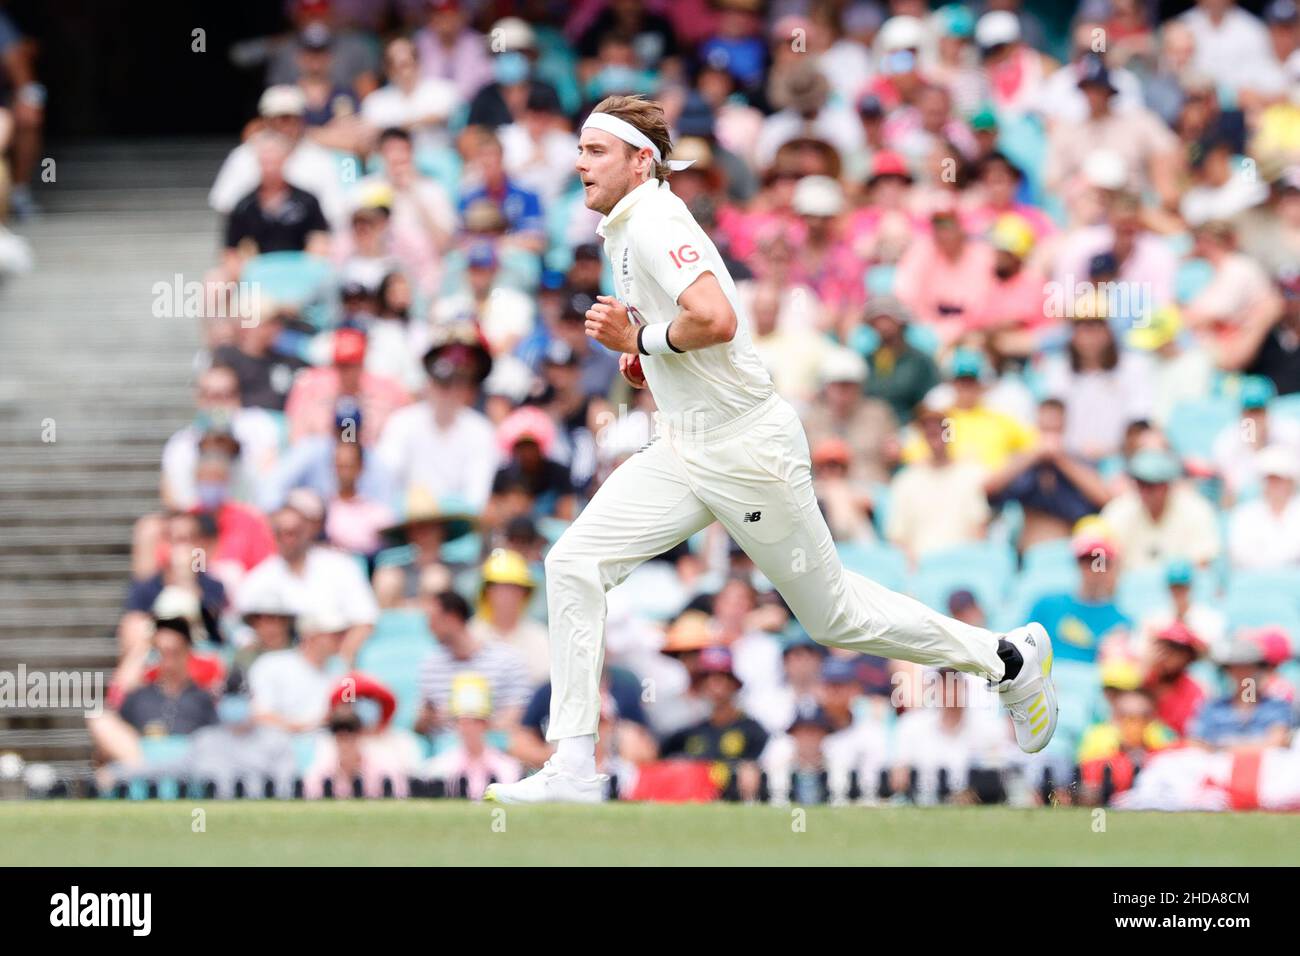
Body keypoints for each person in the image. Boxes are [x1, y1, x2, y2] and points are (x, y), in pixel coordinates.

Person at [485, 95, 1057, 805]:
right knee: (572, 562)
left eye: (596, 150)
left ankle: (1005, 659)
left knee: (832, 617)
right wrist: (649, 360)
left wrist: (638, 342)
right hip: (684, 444)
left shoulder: (658, 220)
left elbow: (718, 321)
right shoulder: (628, 225)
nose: (579, 162)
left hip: (745, 450)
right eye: (579, 148)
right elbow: (685, 333)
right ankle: (572, 766)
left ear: (642, 161)